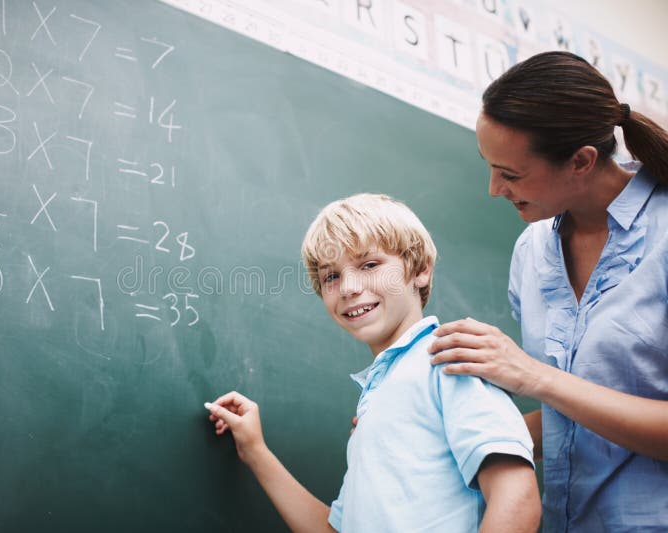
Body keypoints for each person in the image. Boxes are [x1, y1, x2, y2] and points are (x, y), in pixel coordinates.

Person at [428, 51, 668, 532]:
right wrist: (439, 436)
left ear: (581, 161)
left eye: (511, 174)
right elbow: (572, 426)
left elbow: (551, 387)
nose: (494, 189)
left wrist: (534, 376)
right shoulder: (533, 250)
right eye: (490, 166)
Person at [205, 193, 540, 532]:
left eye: (369, 265)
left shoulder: (449, 360)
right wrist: (256, 452)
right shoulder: (377, 398)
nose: (349, 287)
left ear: (420, 270)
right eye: (331, 276)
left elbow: (517, 499)